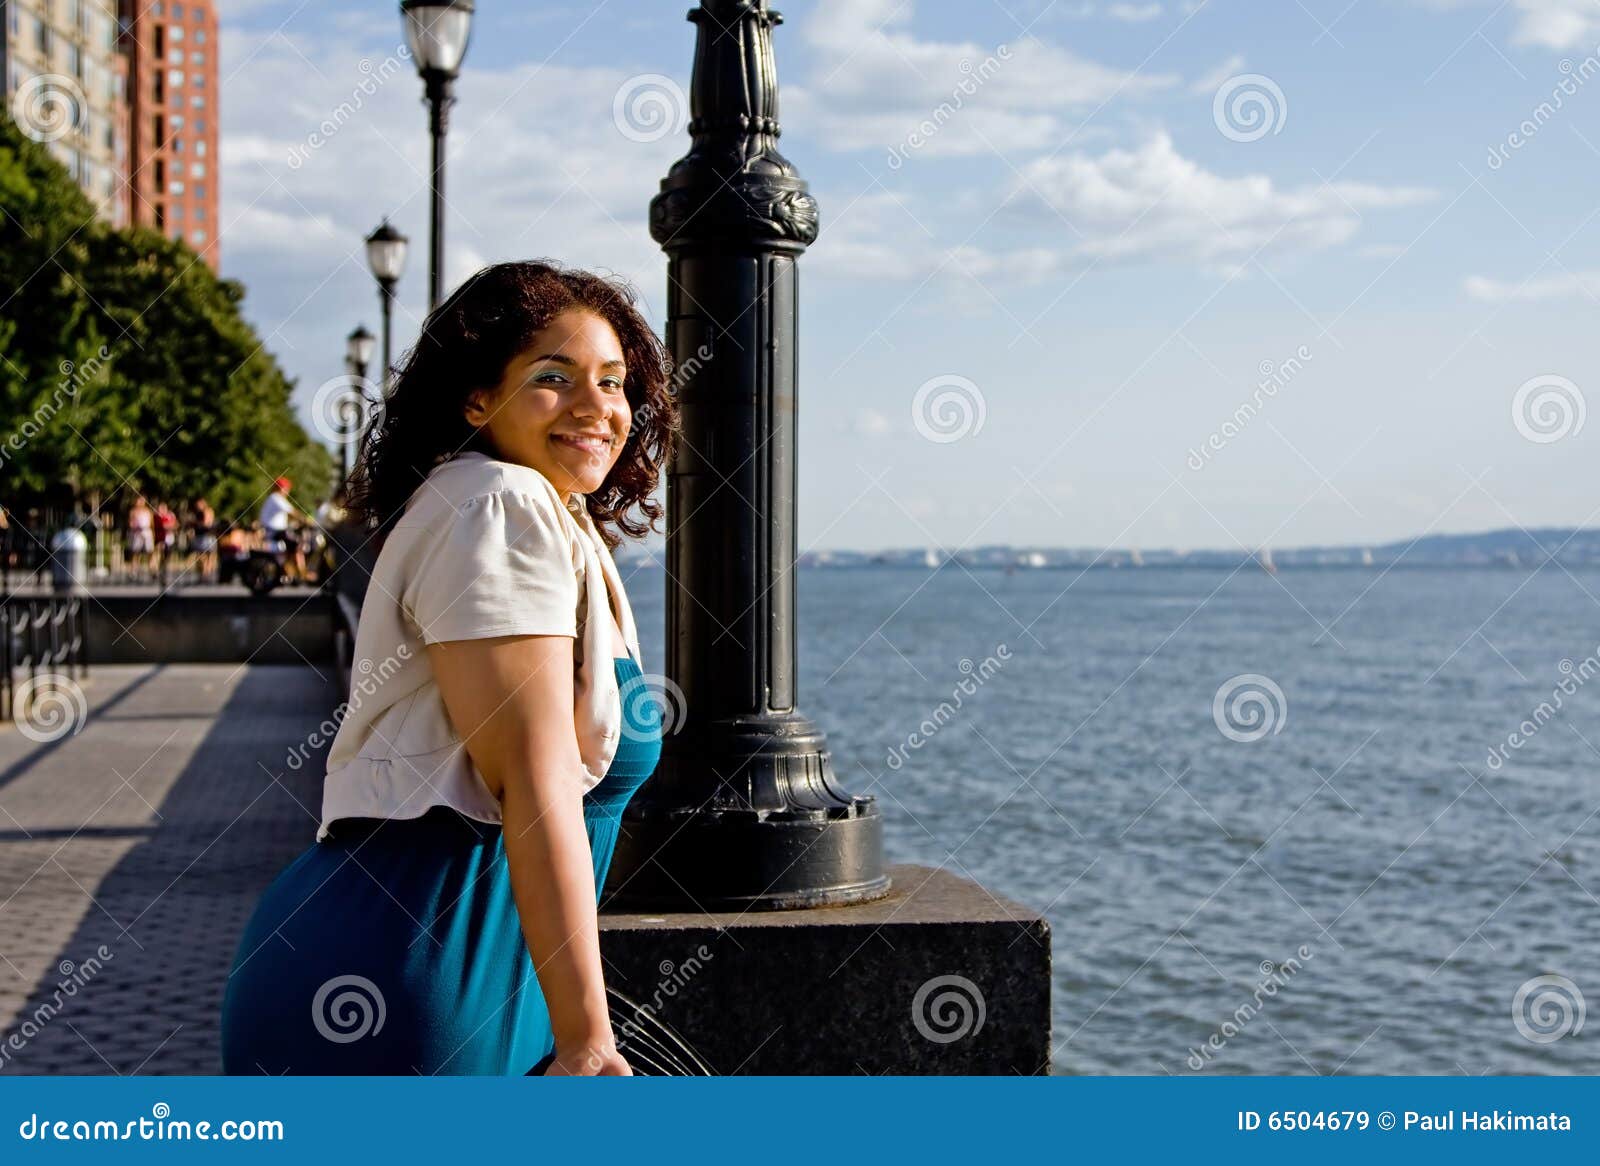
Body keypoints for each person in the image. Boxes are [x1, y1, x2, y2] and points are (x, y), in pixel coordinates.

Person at [220, 260, 679, 1076]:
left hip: (460, 974)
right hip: (418, 975)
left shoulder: (550, 518)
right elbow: (535, 786)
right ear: (476, 399)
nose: (597, 407)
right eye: (553, 377)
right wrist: (587, 1039)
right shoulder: (496, 504)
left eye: (613, 382)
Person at [259, 477, 307, 583]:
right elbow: (291, 511)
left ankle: (289, 571)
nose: (287, 491)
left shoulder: (272, 498)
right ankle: (299, 574)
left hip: (274, 531)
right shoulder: (276, 498)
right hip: (275, 531)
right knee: (296, 545)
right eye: (286, 489)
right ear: (281, 488)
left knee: (292, 546)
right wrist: (306, 520)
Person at [126, 497, 154, 579]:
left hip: (146, 533)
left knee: (150, 552)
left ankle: (152, 570)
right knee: (136, 553)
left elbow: (151, 524)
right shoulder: (133, 512)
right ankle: (133, 571)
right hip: (137, 534)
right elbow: (130, 523)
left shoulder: (148, 511)